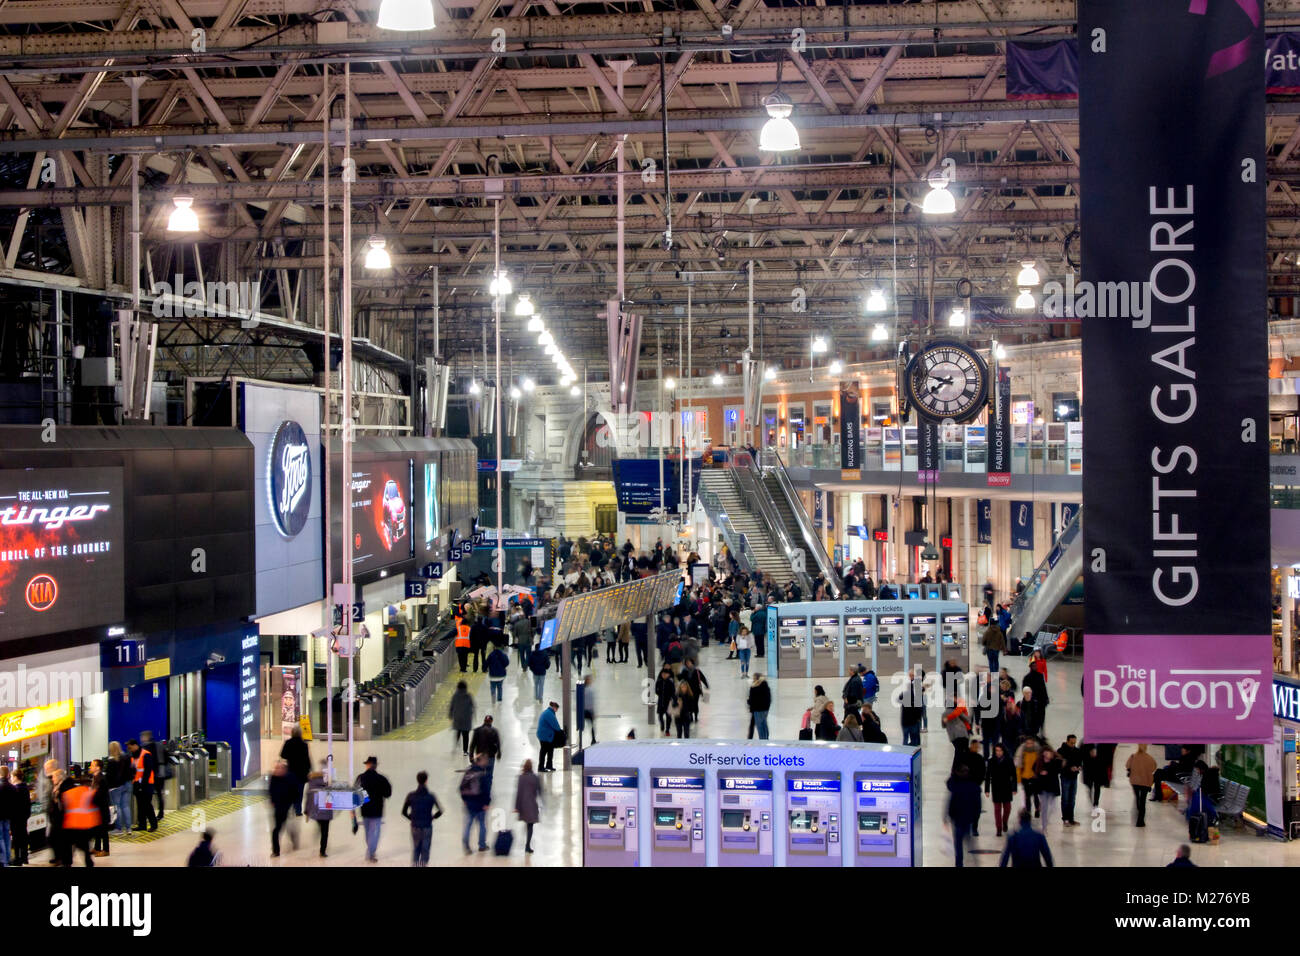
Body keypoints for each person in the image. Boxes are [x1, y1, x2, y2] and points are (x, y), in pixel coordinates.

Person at [401, 770, 444, 866]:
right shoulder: (431, 796)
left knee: (416, 848)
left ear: (417, 780)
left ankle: (415, 864)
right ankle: (424, 864)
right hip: (427, 825)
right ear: (426, 781)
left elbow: (403, 812)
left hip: (415, 825)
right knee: (425, 848)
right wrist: (433, 817)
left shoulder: (411, 795)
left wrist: (411, 818)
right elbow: (440, 811)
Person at [59, 773, 100, 867]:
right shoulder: (90, 793)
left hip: (70, 824)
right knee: (84, 846)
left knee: (68, 845)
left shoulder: (68, 793)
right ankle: (88, 862)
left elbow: (63, 809)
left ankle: (67, 863)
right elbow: (96, 806)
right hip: (86, 825)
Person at [356, 755, 392, 863]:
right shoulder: (382, 779)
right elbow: (388, 793)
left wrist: (365, 799)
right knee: (375, 833)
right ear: (375, 766)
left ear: (367, 765)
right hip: (377, 810)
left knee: (368, 833)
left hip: (365, 810)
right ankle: (371, 852)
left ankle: (370, 851)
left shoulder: (360, 778)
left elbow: (356, 792)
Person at [947, 765, 982, 867]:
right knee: (969, 841)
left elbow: (951, 802)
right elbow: (978, 805)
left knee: (958, 844)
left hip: (958, 819)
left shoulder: (956, 786)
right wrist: (975, 818)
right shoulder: (974, 786)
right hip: (968, 819)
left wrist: (951, 815)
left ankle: (959, 863)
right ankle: (975, 862)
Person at [459, 752, 491, 854]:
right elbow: (486, 790)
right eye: (485, 761)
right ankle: (482, 845)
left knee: (468, 825)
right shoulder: (482, 774)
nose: (486, 762)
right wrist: (487, 803)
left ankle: (466, 845)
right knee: (482, 824)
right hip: (480, 804)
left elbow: (461, 787)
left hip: (469, 803)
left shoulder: (468, 771)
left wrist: (464, 799)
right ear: (481, 761)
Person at [268, 759, 299, 857]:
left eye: (279, 768)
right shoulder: (273, 778)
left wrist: (293, 803)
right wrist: (272, 801)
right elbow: (271, 790)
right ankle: (275, 851)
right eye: (276, 768)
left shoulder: (290, 777)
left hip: (287, 806)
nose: (277, 770)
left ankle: (294, 841)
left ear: (284, 769)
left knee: (288, 827)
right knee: (276, 829)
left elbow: (295, 791)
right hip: (278, 807)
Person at [127, 739, 158, 832]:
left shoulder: (145, 754)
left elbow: (148, 771)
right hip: (137, 784)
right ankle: (142, 825)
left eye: (130, 747)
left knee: (147, 805)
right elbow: (133, 770)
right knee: (140, 805)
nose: (130, 750)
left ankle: (154, 824)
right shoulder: (133, 757)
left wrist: (142, 785)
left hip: (147, 784)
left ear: (135, 745)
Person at [279, 725, 311, 816]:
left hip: (291, 771)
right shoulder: (304, 745)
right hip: (302, 772)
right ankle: (298, 810)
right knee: (300, 792)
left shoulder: (288, 743)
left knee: (290, 790)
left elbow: (282, 755)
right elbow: (307, 759)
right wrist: (309, 769)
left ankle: (291, 807)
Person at [303, 760, 332, 857]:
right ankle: (322, 851)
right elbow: (332, 797)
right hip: (326, 810)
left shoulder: (311, 781)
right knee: (325, 831)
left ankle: (319, 833)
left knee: (321, 827)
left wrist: (306, 810)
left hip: (316, 811)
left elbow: (308, 797)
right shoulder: (329, 781)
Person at [989, 743, 1017, 837]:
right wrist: (987, 789)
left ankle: (1004, 821)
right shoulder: (991, 761)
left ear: (1003, 751)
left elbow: (1014, 775)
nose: (998, 752)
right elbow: (988, 776)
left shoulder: (1009, 760)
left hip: (1006, 787)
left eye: (1000, 750)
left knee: (1007, 808)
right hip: (996, 788)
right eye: (996, 750)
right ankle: (999, 828)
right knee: (997, 809)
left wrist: (1014, 788)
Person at [469, 715, 503, 795]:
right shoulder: (494, 731)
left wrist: (471, 756)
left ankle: (479, 790)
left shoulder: (477, 731)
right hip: (490, 756)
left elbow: (473, 744)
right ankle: (487, 792)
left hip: (480, 756)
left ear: (484, 721)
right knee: (489, 775)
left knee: (479, 773)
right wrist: (499, 753)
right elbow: (498, 743)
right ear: (491, 721)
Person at [1126, 744, 1157, 828]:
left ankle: (1138, 809)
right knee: (1143, 800)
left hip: (1135, 781)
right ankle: (1140, 820)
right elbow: (1154, 767)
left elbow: (1127, 765)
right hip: (1145, 782)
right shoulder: (1149, 758)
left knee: (1137, 797)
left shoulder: (1133, 756)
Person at [514, 759, 541, 854]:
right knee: (530, 825)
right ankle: (527, 845)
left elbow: (519, 793)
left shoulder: (521, 778)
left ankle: (526, 843)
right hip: (532, 804)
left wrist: (516, 806)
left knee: (527, 823)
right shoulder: (535, 778)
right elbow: (539, 791)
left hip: (523, 805)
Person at [106, 741, 132, 835]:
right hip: (127, 785)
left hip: (116, 786)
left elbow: (109, 776)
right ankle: (129, 828)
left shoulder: (111, 761)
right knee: (125, 806)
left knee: (117, 807)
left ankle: (119, 828)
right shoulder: (126, 757)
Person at [1034, 747, 1062, 830]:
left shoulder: (1055, 762)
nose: (1047, 755)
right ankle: (1044, 826)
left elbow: (1058, 770)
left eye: (1048, 753)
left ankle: (1046, 821)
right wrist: (1040, 773)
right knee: (1044, 808)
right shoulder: (1039, 762)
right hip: (1042, 788)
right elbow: (1034, 769)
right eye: (1045, 753)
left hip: (1053, 788)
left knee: (1053, 808)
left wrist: (1047, 772)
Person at [1058, 734, 1082, 827]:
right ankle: (1065, 819)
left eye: (1074, 743)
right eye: (1071, 743)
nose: (1073, 744)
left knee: (1072, 799)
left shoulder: (1077, 751)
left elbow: (1080, 761)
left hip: (1074, 777)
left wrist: (1079, 766)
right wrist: (1069, 768)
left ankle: (1071, 819)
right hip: (1065, 777)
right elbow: (1059, 765)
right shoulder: (1061, 751)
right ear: (1067, 741)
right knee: (1065, 799)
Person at [88, 760, 111, 857]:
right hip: (96, 808)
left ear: (98, 767)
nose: (90, 767)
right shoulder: (95, 777)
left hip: (101, 808)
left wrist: (91, 798)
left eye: (92, 765)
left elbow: (100, 794)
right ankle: (97, 848)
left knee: (103, 829)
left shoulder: (101, 779)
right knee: (97, 828)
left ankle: (106, 850)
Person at [448, 680, 476, 756]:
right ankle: (465, 751)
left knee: (458, 731)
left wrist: (450, 715)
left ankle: (456, 745)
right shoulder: (468, 695)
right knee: (465, 735)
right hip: (466, 718)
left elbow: (451, 706)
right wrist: (473, 715)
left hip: (457, 718)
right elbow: (473, 706)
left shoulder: (455, 695)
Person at [942, 698, 971, 767]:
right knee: (963, 751)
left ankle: (957, 768)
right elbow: (967, 719)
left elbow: (943, 725)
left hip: (953, 736)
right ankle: (961, 767)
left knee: (958, 751)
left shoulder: (944, 714)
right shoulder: (957, 711)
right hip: (963, 734)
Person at [1015, 736, 1040, 816]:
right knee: (1027, 796)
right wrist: (1019, 779)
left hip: (1035, 777)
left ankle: (1037, 809)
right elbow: (1018, 765)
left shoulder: (1037, 751)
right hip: (1025, 777)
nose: (1029, 745)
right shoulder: (1022, 752)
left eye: (1031, 743)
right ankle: (1028, 811)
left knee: (1036, 794)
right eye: (1028, 743)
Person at [8, 770, 29, 865]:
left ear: (16, 777)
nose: (11, 779)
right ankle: (24, 857)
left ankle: (17, 858)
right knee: (23, 837)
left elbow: (13, 805)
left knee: (16, 838)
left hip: (16, 817)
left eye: (12, 777)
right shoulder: (25, 788)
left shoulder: (16, 789)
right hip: (24, 816)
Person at [900, 669, 925, 747]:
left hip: (915, 710)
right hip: (911, 716)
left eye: (911, 675)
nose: (910, 676)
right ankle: (915, 742)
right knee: (914, 729)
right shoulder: (911, 683)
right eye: (909, 675)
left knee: (915, 729)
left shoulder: (917, 683)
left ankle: (916, 742)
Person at [537, 701, 563, 771]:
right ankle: (541, 767)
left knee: (550, 750)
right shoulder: (549, 714)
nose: (557, 711)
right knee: (544, 751)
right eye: (557, 709)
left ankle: (549, 765)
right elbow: (556, 726)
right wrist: (561, 732)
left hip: (544, 735)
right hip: (545, 736)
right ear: (554, 707)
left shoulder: (548, 712)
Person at [1082, 744, 1109, 809]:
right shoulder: (1085, 743)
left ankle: (1095, 803)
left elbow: (1105, 754)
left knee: (1097, 786)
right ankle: (1093, 802)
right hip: (1089, 768)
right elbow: (1081, 754)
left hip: (1098, 768)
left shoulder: (1101, 744)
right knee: (1090, 786)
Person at [748, 673, 771, 740]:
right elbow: (769, 699)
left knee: (760, 726)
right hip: (765, 710)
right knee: (764, 724)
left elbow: (752, 700)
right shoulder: (766, 686)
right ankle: (766, 739)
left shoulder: (754, 688)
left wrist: (749, 702)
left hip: (757, 710)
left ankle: (762, 741)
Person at [655, 666, 677, 735]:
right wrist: (659, 693)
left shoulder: (670, 682)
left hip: (668, 702)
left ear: (668, 675)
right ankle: (662, 724)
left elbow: (673, 692)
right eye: (663, 674)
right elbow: (656, 690)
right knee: (660, 716)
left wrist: (675, 701)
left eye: (665, 674)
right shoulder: (659, 681)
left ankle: (667, 729)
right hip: (660, 701)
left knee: (668, 717)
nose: (664, 675)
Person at [580, 674, 598, 745]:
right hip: (589, 711)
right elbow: (592, 701)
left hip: (583, 711)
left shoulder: (582, 689)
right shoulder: (590, 690)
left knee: (582, 727)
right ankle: (593, 740)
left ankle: (580, 740)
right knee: (592, 726)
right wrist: (594, 712)